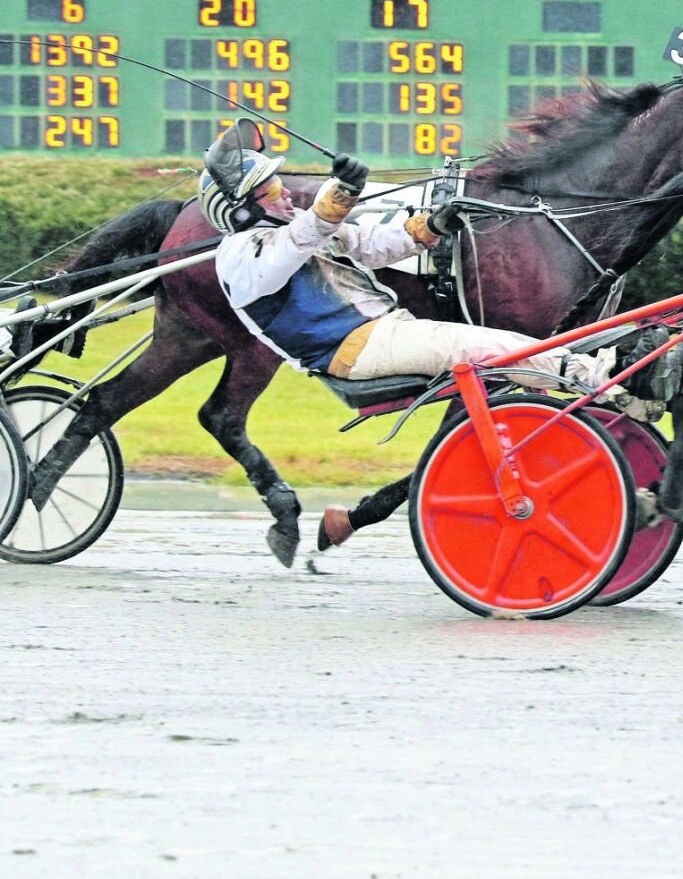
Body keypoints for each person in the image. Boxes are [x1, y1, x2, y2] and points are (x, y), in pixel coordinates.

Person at [197, 135, 652, 562]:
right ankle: (605, 381)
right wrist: (337, 196)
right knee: (491, 346)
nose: (284, 194)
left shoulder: (296, 228)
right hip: (354, 349)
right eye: (270, 190)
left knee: (493, 347)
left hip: (384, 332)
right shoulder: (240, 255)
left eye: (279, 184)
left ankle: (594, 382)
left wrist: (430, 226)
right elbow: (293, 247)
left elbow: (371, 245)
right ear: (239, 212)